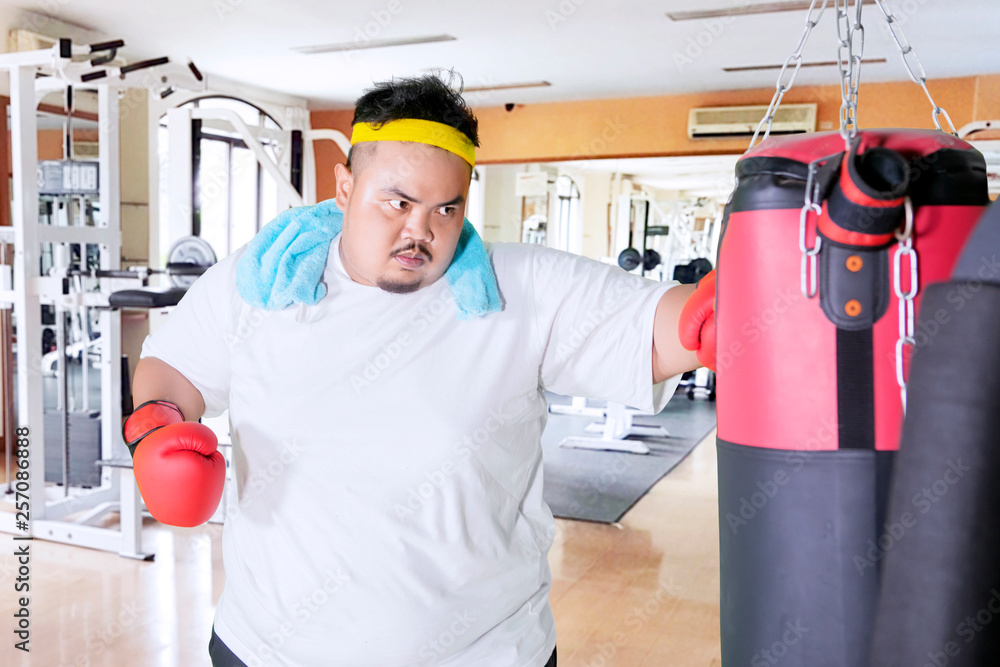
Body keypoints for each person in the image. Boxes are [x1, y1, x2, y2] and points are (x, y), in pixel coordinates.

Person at [124, 72, 716, 667]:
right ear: (345, 185)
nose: (421, 231)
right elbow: (172, 370)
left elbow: (667, 327)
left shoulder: (521, 288)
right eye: (398, 201)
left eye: (446, 208)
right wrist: (157, 430)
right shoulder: (259, 280)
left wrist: (744, 301)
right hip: (266, 648)